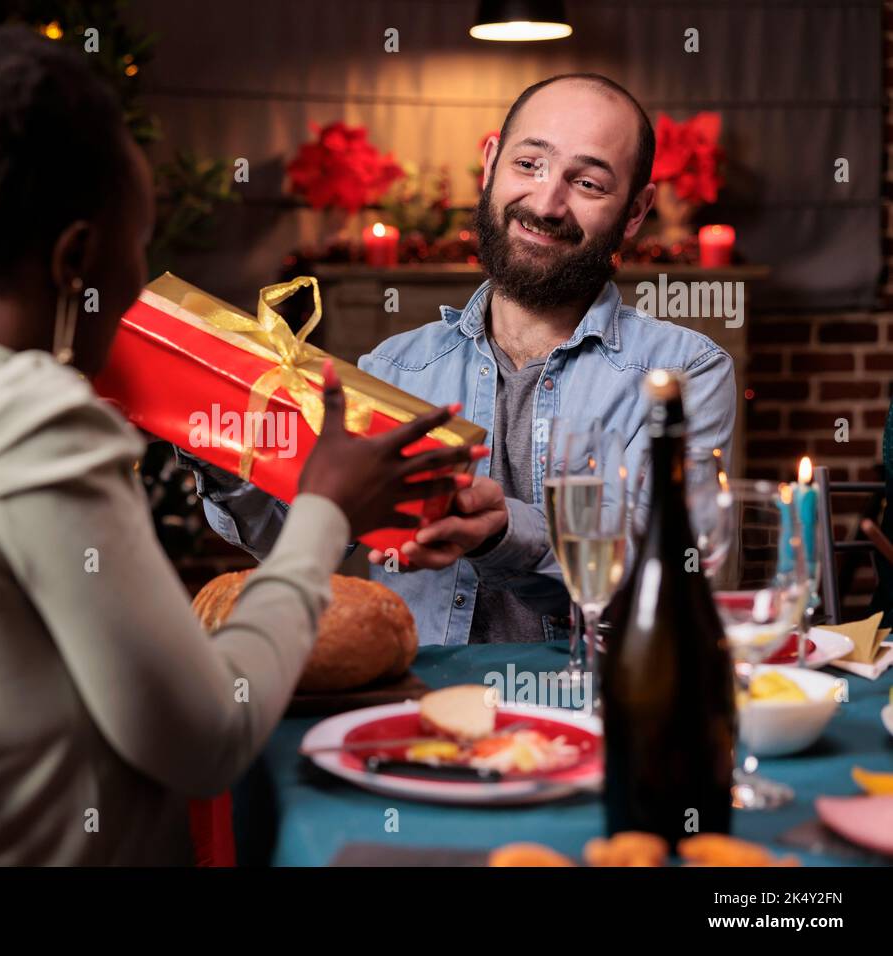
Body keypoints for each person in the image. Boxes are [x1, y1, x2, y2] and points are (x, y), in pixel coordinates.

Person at [0, 27, 479, 866]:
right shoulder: (36, 429)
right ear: (76, 260)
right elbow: (212, 736)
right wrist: (321, 510)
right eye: (138, 250)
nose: (140, 286)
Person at [187, 74, 737, 647]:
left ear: (634, 211)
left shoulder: (685, 373)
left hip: (595, 711)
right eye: (530, 164)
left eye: (589, 183)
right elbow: (297, 535)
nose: (547, 203)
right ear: (491, 162)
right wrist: (223, 447)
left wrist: (505, 532)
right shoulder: (392, 370)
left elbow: (672, 571)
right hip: (421, 720)